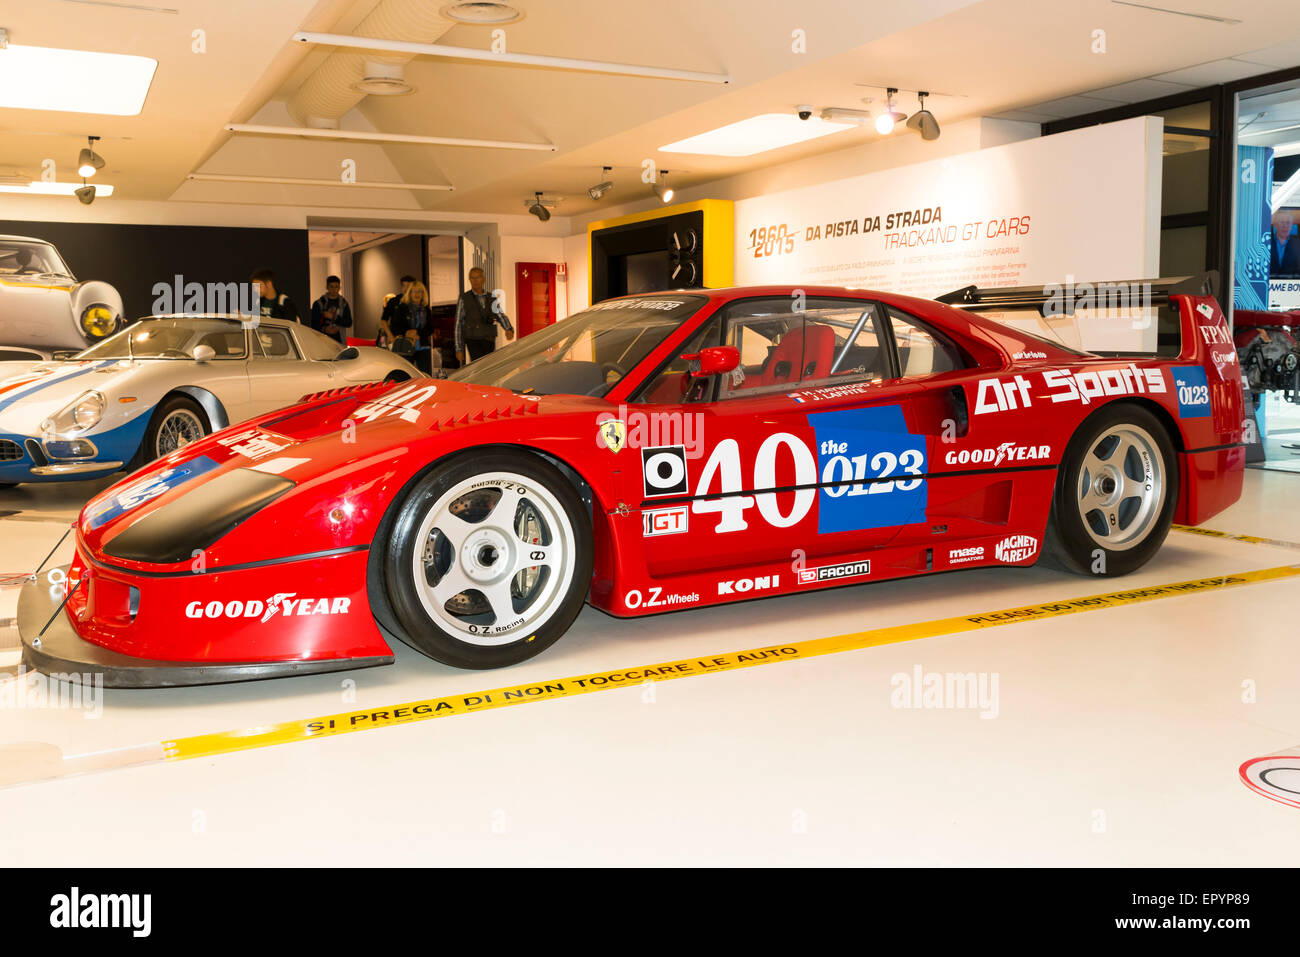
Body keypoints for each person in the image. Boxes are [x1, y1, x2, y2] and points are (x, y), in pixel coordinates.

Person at [455, 267, 513, 364]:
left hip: (489, 339)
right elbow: (458, 324)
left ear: (483, 279)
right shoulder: (464, 298)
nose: (475, 281)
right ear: (469, 280)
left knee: (488, 367)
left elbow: (500, 315)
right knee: (478, 367)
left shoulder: (491, 298)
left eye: (478, 277)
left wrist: (509, 328)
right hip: (473, 340)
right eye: (472, 278)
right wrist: (458, 349)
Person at [310, 275, 353, 344]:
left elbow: (349, 322)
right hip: (322, 341)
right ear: (327, 287)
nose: (334, 289)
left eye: (336, 286)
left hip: (340, 341)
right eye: (331, 286)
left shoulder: (344, 304)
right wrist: (324, 329)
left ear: (339, 287)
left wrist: (333, 317)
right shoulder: (319, 303)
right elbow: (313, 324)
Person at [379, 274, 416, 342]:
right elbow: (383, 320)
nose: (406, 288)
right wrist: (390, 335)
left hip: (414, 340)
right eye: (404, 286)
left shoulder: (417, 302)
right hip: (396, 338)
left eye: (408, 286)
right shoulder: (394, 301)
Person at [1271, 208, 1300, 277]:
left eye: (1288, 223)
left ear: (1291, 225)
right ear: (1275, 224)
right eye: (1282, 222)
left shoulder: (1298, 244)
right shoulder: (1267, 242)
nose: (1285, 226)